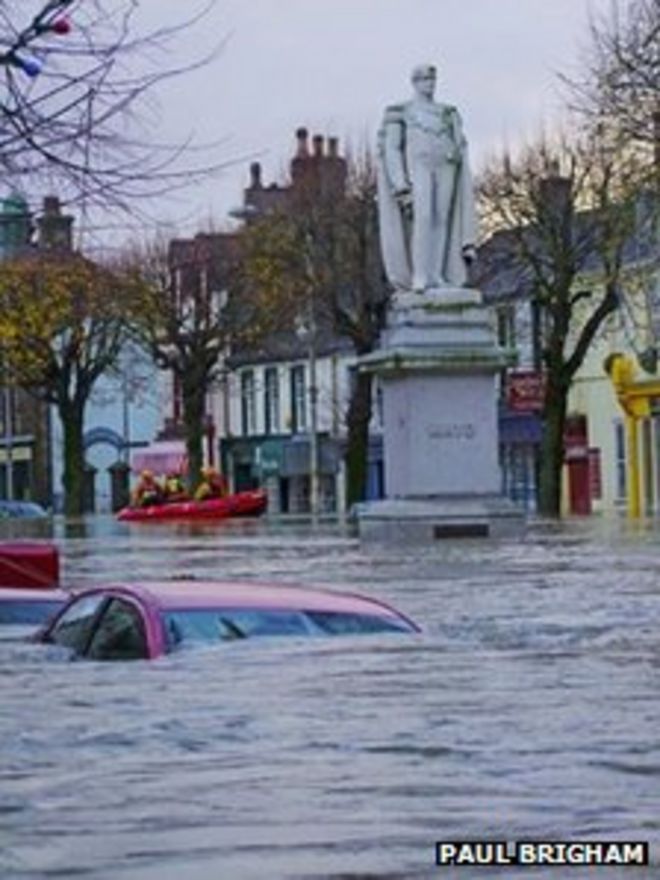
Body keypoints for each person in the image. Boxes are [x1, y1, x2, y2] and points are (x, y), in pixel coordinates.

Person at [377, 63, 476, 293]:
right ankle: (420, 276)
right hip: (419, 166)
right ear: (415, 82)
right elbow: (392, 149)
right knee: (423, 217)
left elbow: (458, 142)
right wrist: (400, 184)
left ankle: (437, 274)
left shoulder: (446, 112)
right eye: (424, 79)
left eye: (432, 79)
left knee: (442, 218)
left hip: (446, 164)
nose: (429, 84)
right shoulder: (400, 111)